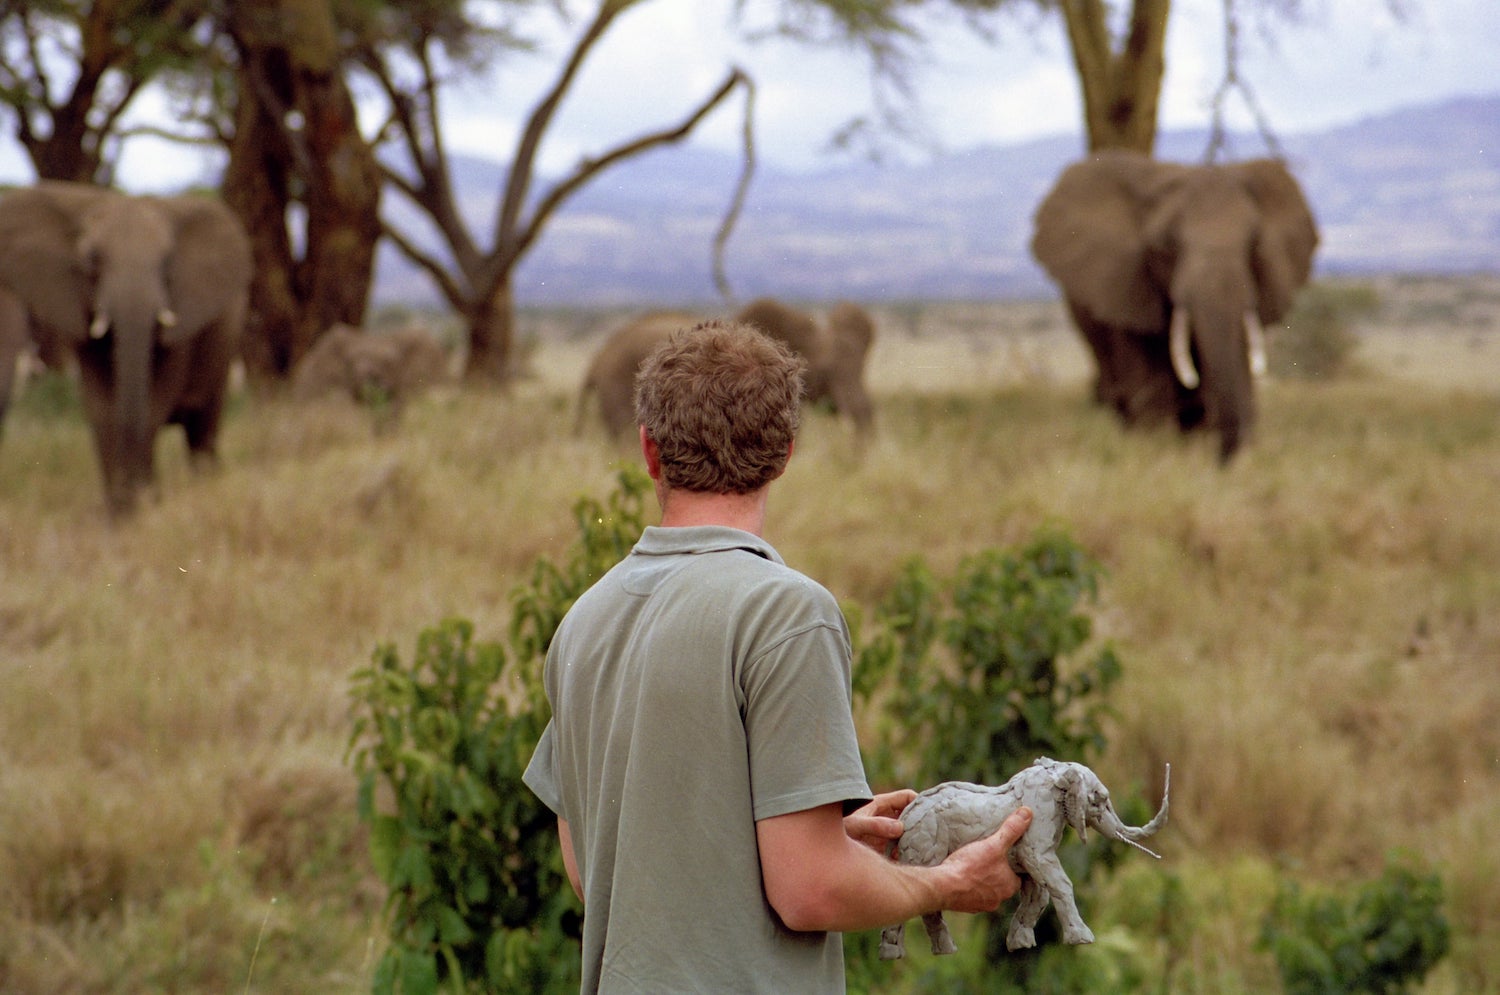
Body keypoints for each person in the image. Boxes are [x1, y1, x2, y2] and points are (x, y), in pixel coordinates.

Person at [523, 320, 1030, 993]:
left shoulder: (583, 621)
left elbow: (599, 868)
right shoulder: (786, 613)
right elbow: (810, 891)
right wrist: (946, 882)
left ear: (649, 450)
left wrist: (796, 828)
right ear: (785, 452)